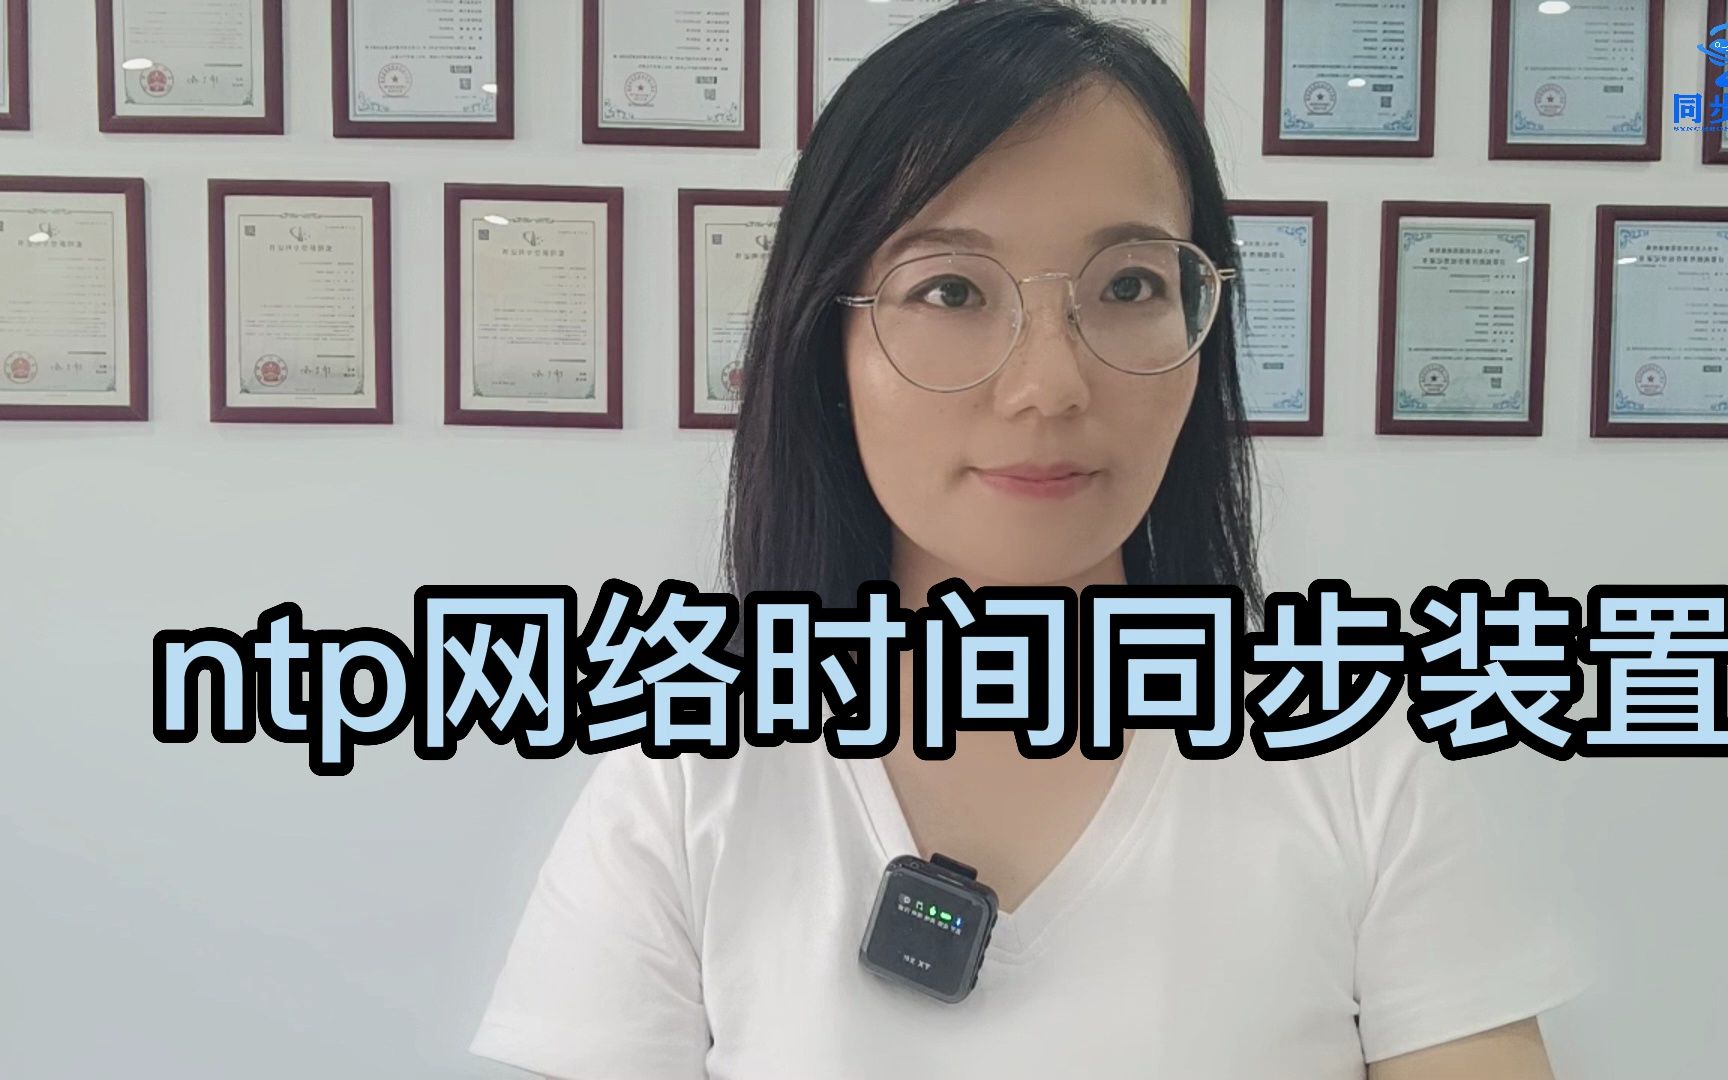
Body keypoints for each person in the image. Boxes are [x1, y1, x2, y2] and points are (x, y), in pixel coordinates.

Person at [468, 3, 1588, 1077]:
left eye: (1130, 285)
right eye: (951, 291)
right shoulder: (689, 776)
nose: (1050, 384)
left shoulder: (1349, 760)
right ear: (827, 347)